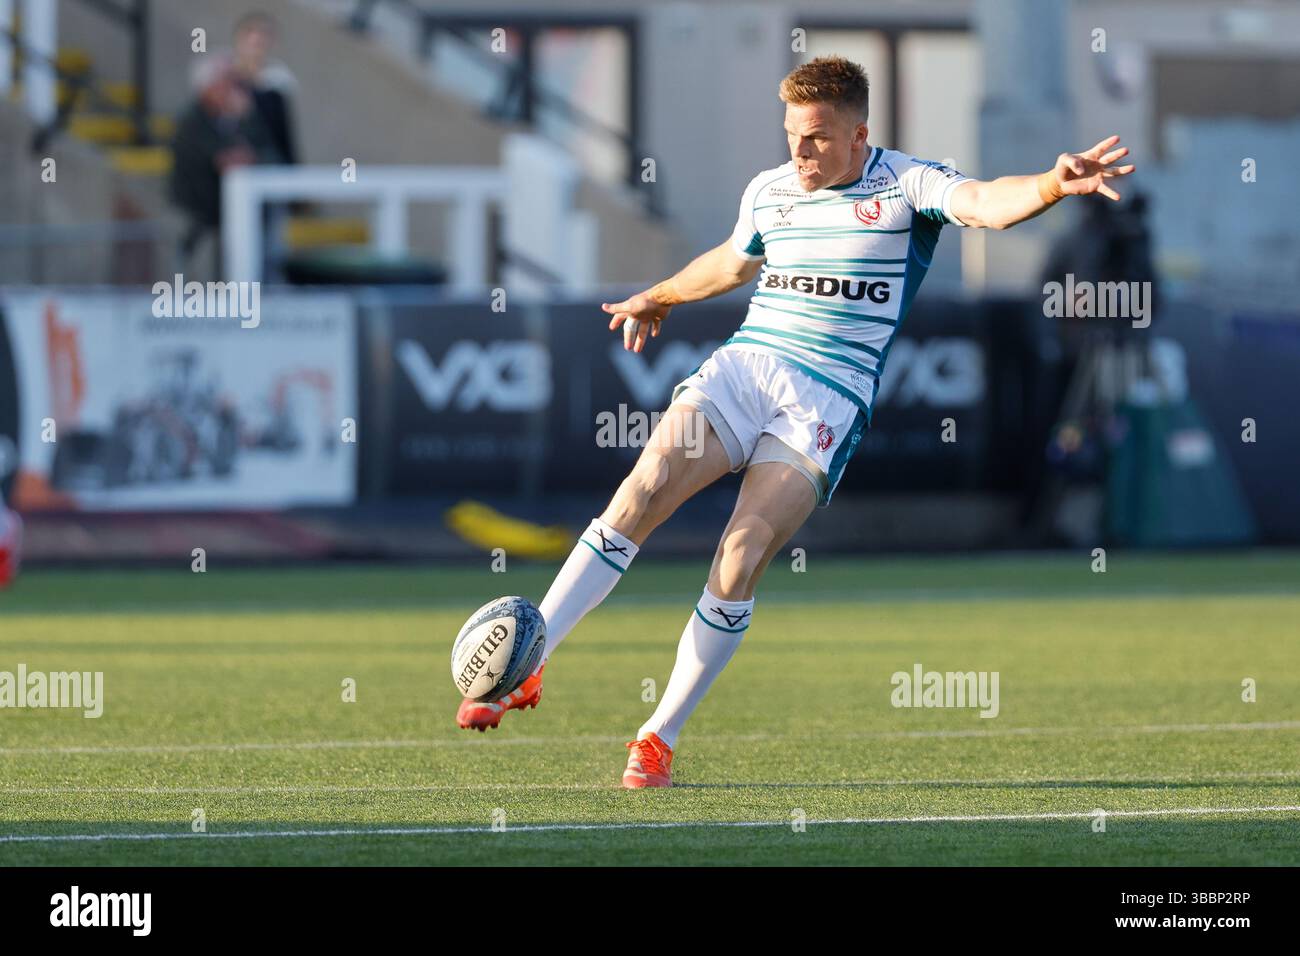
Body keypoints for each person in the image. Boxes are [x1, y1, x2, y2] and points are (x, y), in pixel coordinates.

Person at [455, 56, 1135, 788]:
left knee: (739, 554)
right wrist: (660, 294)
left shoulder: (908, 183)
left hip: (825, 401)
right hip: (745, 370)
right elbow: (730, 262)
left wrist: (1049, 185)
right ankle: (530, 660)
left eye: (814, 138)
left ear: (857, 134)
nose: (799, 152)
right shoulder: (771, 190)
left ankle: (658, 736)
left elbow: (986, 204)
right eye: (791, 136)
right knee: (640, 492)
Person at [168, 55, 284, 273]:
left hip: (238, 216)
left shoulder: (245, 117)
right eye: (228, 81)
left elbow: (271, 157)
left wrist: (245, 121)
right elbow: (226, 162)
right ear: (208, 87)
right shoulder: (192, 121)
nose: (236, 89)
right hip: (202, 217)